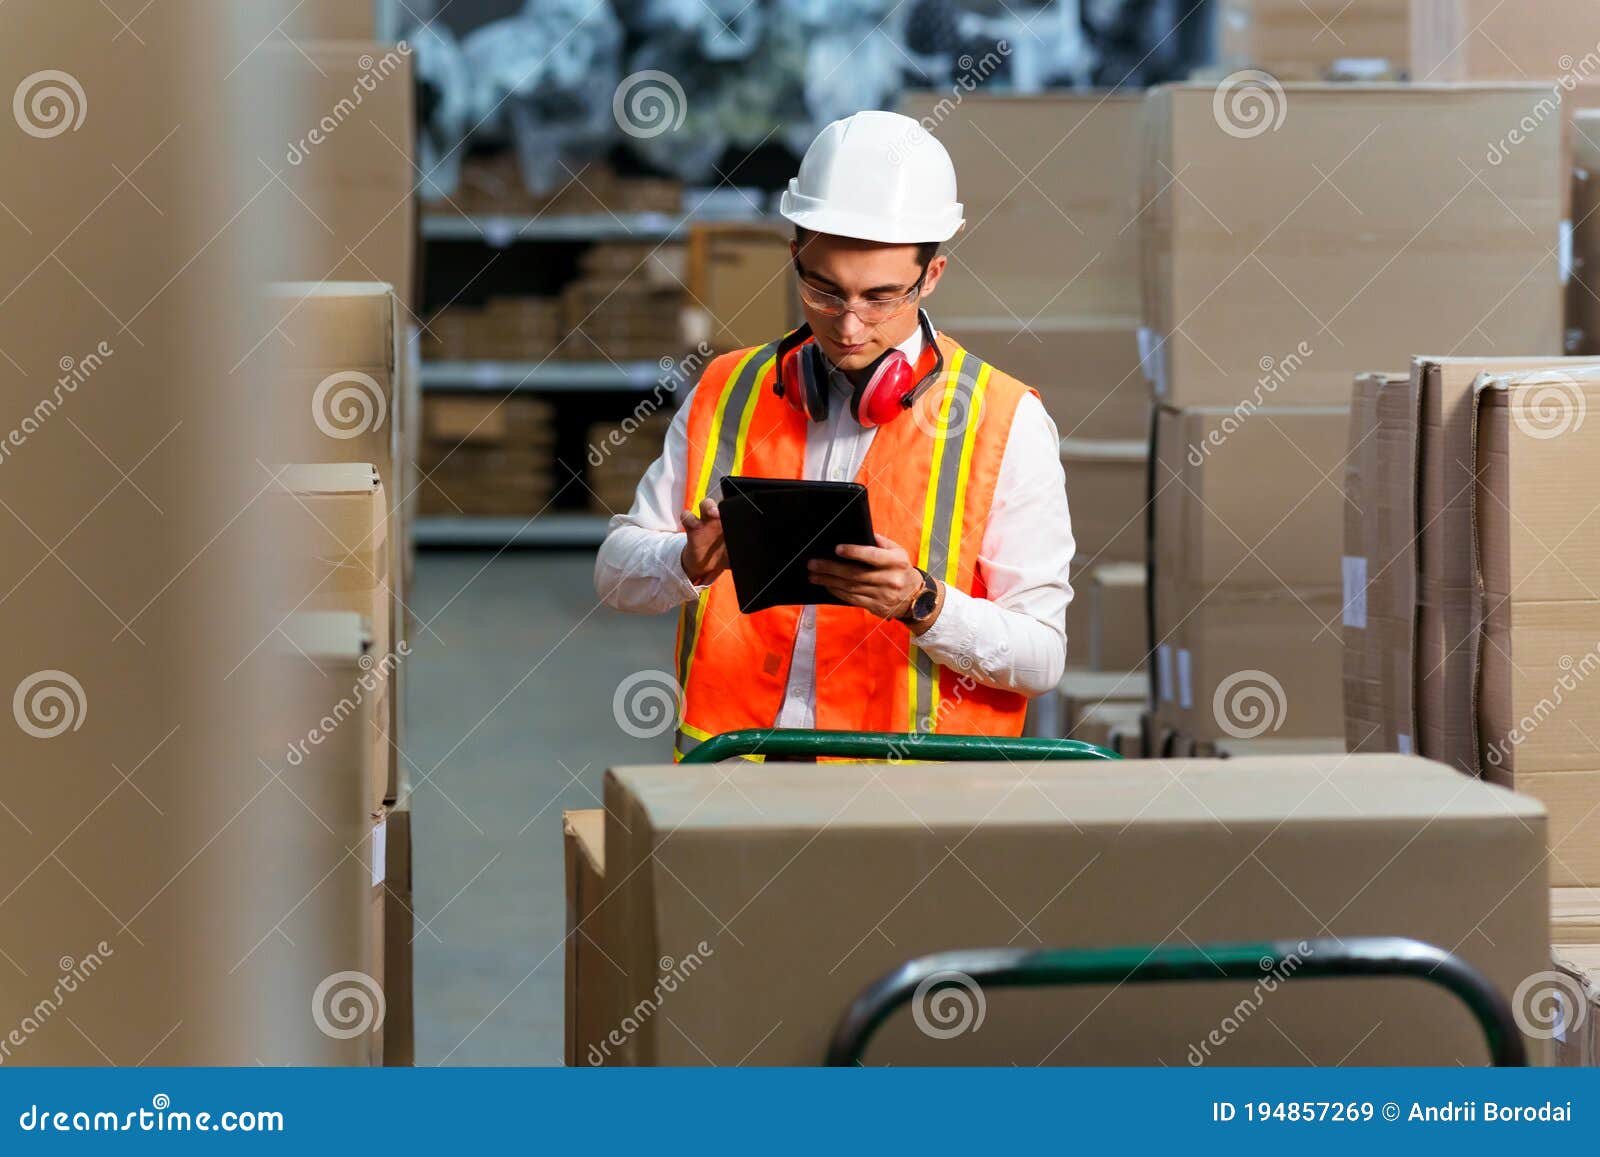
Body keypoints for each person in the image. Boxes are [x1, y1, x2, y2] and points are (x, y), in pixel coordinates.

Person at [595, 109, 1074, 759]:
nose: (849, 326)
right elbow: (614, 574)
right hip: (733, 775)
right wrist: (685, 561)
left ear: (931, 276)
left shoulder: (1004, 421)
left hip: (911, 802)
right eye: (823, 291)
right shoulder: (726, 390)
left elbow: (1043, 656)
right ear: (794, 256)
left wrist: (924, 602)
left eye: (881, 297)